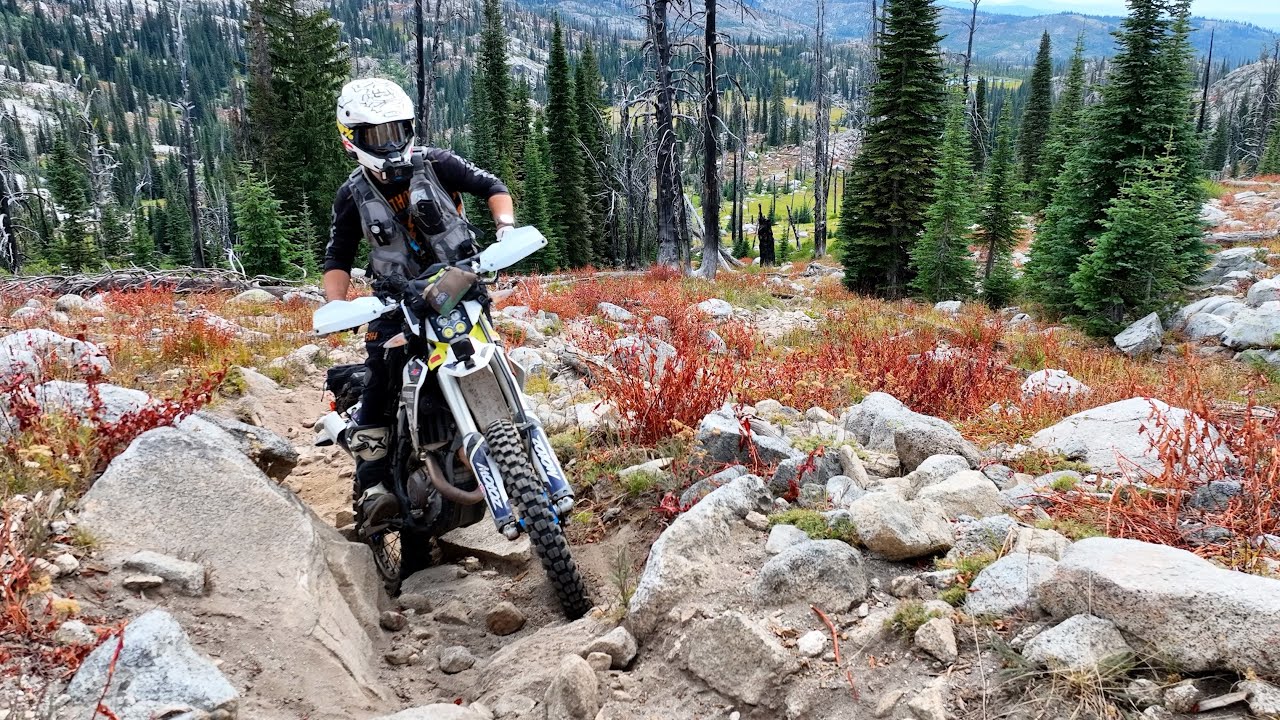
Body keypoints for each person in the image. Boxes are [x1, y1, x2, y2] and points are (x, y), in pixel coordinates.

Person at [322, 77, 515, 528]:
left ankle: (506, 434)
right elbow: (337, 256)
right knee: (380, 379)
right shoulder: (351, 195)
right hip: (394, 304)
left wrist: (504, 228)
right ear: (351, 138)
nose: (390, 143)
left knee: (489, 351)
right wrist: (335, 305)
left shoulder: (437, 163)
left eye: (397, 130)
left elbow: (492, 185)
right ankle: (372, 485)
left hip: (458, 285)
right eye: (377, 135)